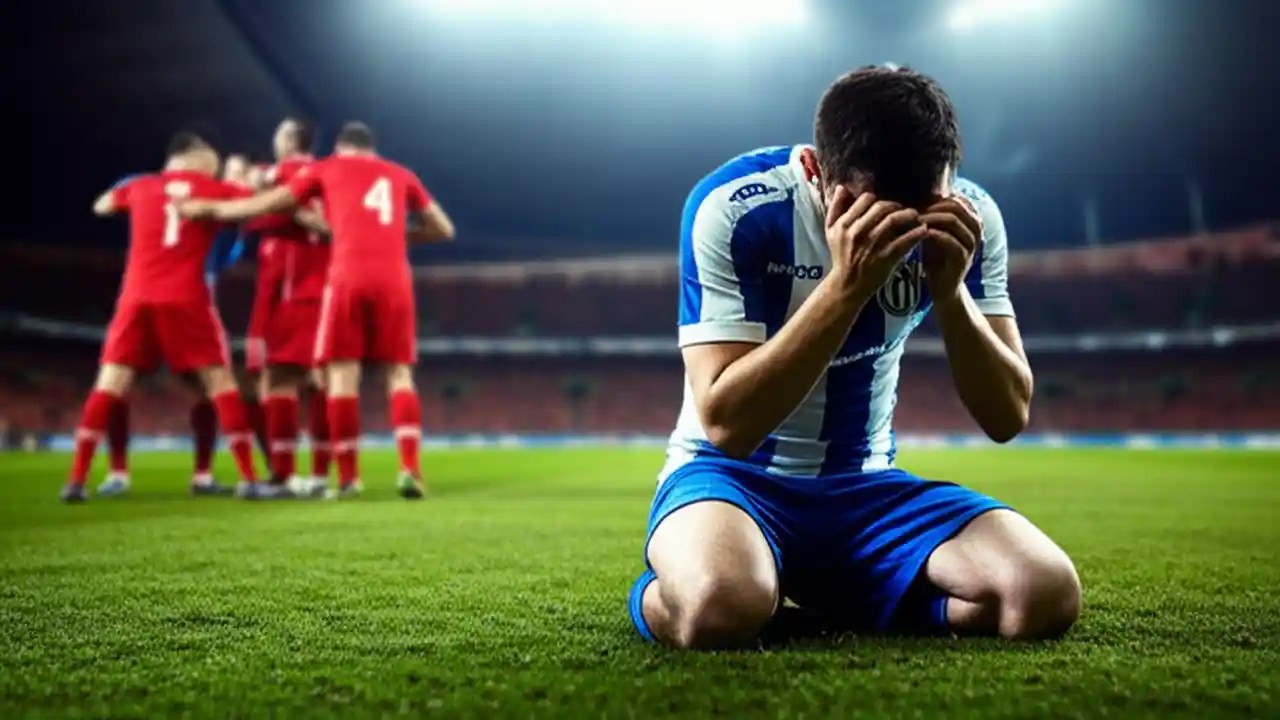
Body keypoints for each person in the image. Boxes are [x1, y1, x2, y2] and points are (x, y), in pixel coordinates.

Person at [629, 66, 1081, 649]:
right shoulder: (734, 208)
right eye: (877, 212)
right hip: (730, 478)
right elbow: (726, 426)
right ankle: (673, 587)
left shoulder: (969, 218)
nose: (900, 235)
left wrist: (950, 292)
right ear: (817, 171)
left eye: (921, 212)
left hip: (866, 487)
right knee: (720, 608)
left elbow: (1007, 416)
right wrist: (847, 285)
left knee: (1043, 593)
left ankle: (836, 598)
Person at [179, 121, 456, 499]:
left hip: (345, 277)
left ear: (341, 147)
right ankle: (409, 470)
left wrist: (211, 208)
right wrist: (394, 236)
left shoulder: (325, 168)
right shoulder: (400, 173)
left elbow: (268, 203)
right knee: (398, 374)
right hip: (395, 278)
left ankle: (348, 479)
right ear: (372, 148)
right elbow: (443, 228)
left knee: (341, 374)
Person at [61, 131, 287, 502]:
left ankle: (76, 480)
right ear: (197, 159)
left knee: (110, 382)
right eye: (212, 167)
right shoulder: (214, 190)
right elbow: (260, 206)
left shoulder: (140, 186)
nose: (213, 173)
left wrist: (133, 195)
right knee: (219, 383)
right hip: (187, 296)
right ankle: (248, 478)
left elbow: (101, 206)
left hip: (136, 296)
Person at [97, 159, 252, 498]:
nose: (236, 179)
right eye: (232, 173)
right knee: (120, 384)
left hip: (193, 302)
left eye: (242, 174)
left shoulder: (226, 216)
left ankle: (203, 474)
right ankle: (117, 472)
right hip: (165, 296)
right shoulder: (201, 195)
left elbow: (230, 256)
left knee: (207, 389)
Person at [245, 118, 335, 496]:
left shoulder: (284, 173)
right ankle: (317, 475)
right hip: (326, 289)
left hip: (295, 293)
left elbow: (254, 215)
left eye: (277, 133)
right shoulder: (329, 175)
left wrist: (252, 187)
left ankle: (283, 475)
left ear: (288, 139)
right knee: (322, 382)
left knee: (280, 380)